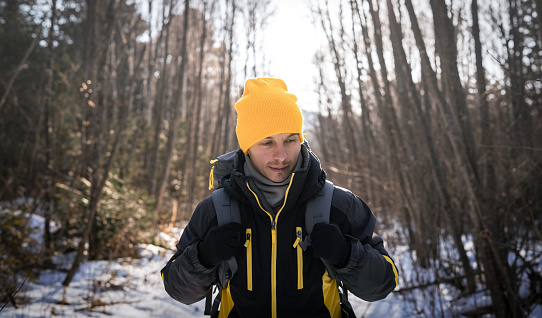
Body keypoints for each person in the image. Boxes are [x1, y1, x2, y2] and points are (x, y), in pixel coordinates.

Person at [161, 78, 398, 318]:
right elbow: (178, 289)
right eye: (267, 142)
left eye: (290, 140)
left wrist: (347, 254)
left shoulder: (338, 205)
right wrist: (203, 256)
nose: (281, 155)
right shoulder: (216, 210)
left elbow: (383, 284)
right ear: (247, 147)